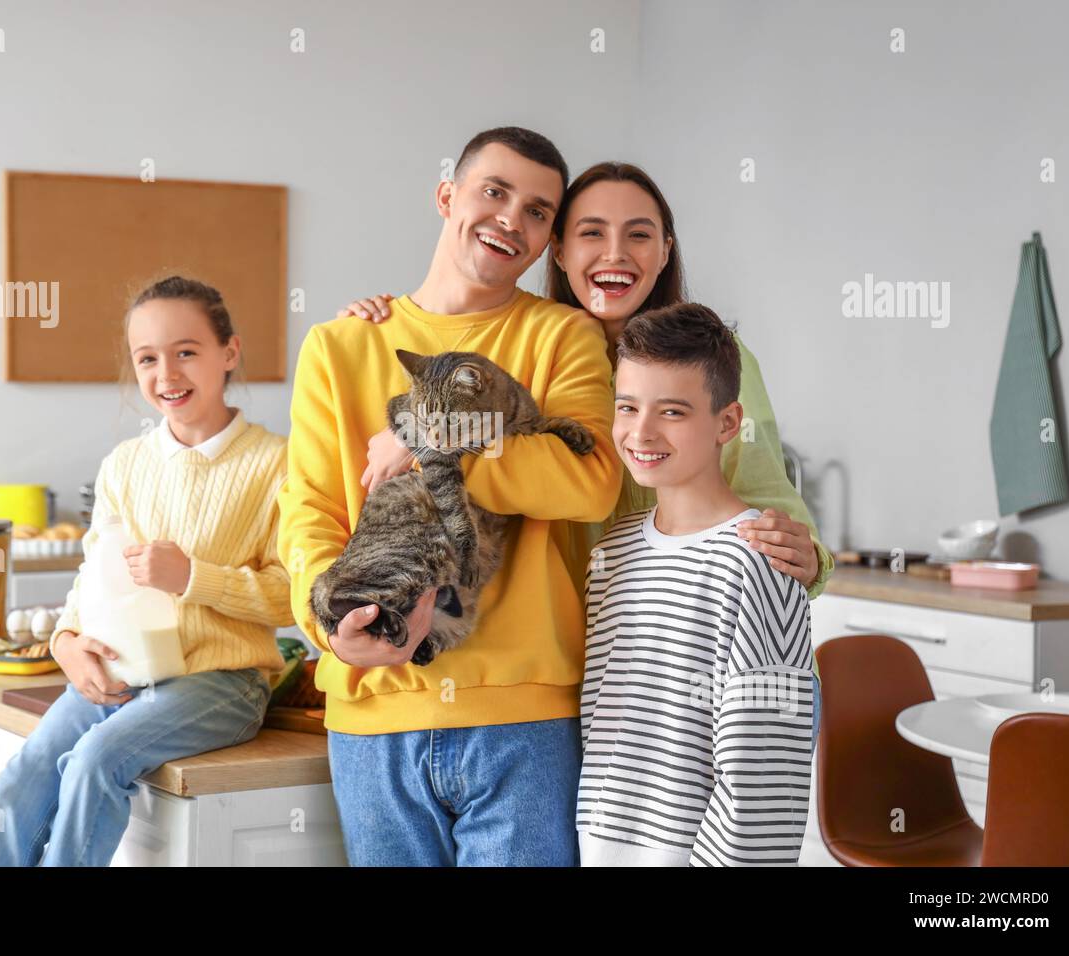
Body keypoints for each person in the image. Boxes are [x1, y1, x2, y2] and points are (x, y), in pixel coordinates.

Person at [343, 161, 827, 729]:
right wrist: (377, 321)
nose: (615, 253)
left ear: (666, 251)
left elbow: (774, 503)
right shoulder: (535, 357)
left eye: (640, 234)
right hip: (603, 678)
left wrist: (809, 557)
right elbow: (442, 371)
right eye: (592, 233)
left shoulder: (718, 361)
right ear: (559, 252)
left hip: (708, 662)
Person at [277, 126, 621, 866]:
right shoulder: (340, 347)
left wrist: (441, 444)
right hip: (375, 712)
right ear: (447, 197)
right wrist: (329, 624)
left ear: (544, 241)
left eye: (537, 211)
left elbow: (588, 481)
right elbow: (308, 515)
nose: (510, 219)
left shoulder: (565, 336)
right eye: (493, 192)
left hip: (523, 715)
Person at [0, 276, 295, 867]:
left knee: (97, 758)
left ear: (230, 353)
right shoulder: (126, 464)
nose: (166, 374)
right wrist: (65, 640)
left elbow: (294, 598)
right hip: (121, 674)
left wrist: (193, 577)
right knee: (29, 769)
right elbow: (94, 576)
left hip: (223, 684)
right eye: (148, 359)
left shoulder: (279, 464)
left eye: (186, 352)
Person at [578, 303, 816, 866]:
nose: (641, 432)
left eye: (673, 412)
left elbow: (763, 787)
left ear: (728, 424)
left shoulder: (759, 563)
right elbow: (601, 726)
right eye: (628, 407)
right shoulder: (611, 553)